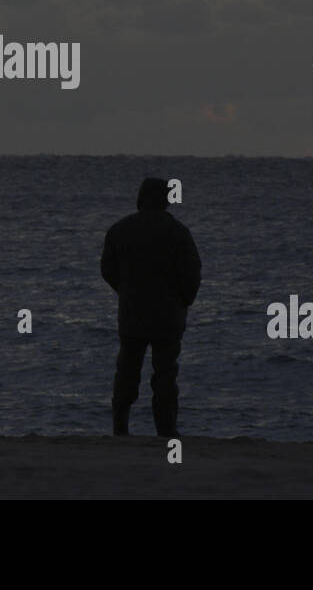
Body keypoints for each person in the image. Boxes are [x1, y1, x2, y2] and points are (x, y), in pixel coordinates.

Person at [101, 177, 202, 437]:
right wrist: (182, 301)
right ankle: (166, 430)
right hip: (168, 317)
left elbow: (107, 270)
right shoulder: (178, 232)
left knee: (126, 371)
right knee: (166, 374)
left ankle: (120, 427)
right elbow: (192, 274)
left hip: (132, 314)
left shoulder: (119, 230)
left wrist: (126, 292)